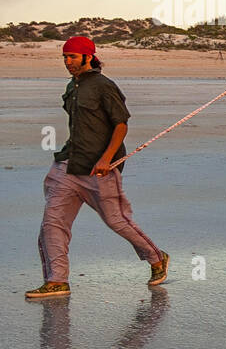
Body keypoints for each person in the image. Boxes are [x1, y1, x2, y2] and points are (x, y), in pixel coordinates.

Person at [26, 37, 168, 299]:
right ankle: (57, 281)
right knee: (52, 224)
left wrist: (106, 158)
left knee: (117, 221)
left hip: (99, 168)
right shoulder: (73, 86)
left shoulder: (104, 86)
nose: (68, 62)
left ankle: (156, 257)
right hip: (69, 164)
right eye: (65, 57)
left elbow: (121, 124)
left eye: (72, 57)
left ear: (88, 57)